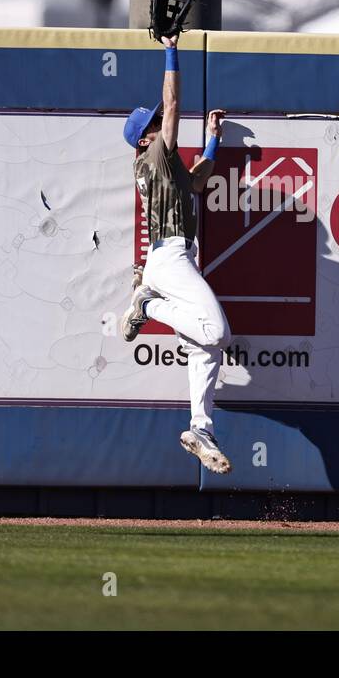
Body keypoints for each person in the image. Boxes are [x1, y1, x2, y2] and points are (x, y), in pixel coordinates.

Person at [120, 33, 232, 474]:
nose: (160, 127)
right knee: (216, 330)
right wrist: (171, 51)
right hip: (168, 259)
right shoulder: (153, 158)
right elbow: (172, 105)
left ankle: (200, 428)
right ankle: (146, 302)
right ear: (145, 141)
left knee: (206, 347)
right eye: (153, 127)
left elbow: (199, 181)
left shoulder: (170, 169)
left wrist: (212, 140)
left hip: (174, 257)